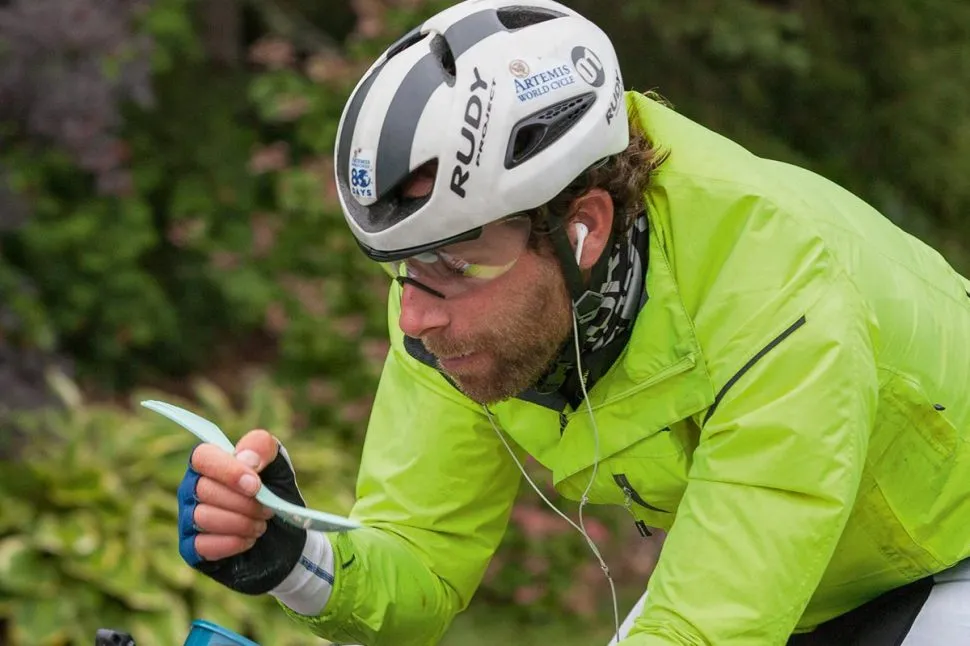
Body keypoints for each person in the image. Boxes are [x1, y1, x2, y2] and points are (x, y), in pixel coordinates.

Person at [174, 1, 970, 644]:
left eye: (451, 261)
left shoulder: (777, 295)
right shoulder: (457, 307)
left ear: (582, 226)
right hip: (810, 581)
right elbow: (420, 565)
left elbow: (705, 629)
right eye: (402, 267)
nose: (414, 313)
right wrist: (289, 554)